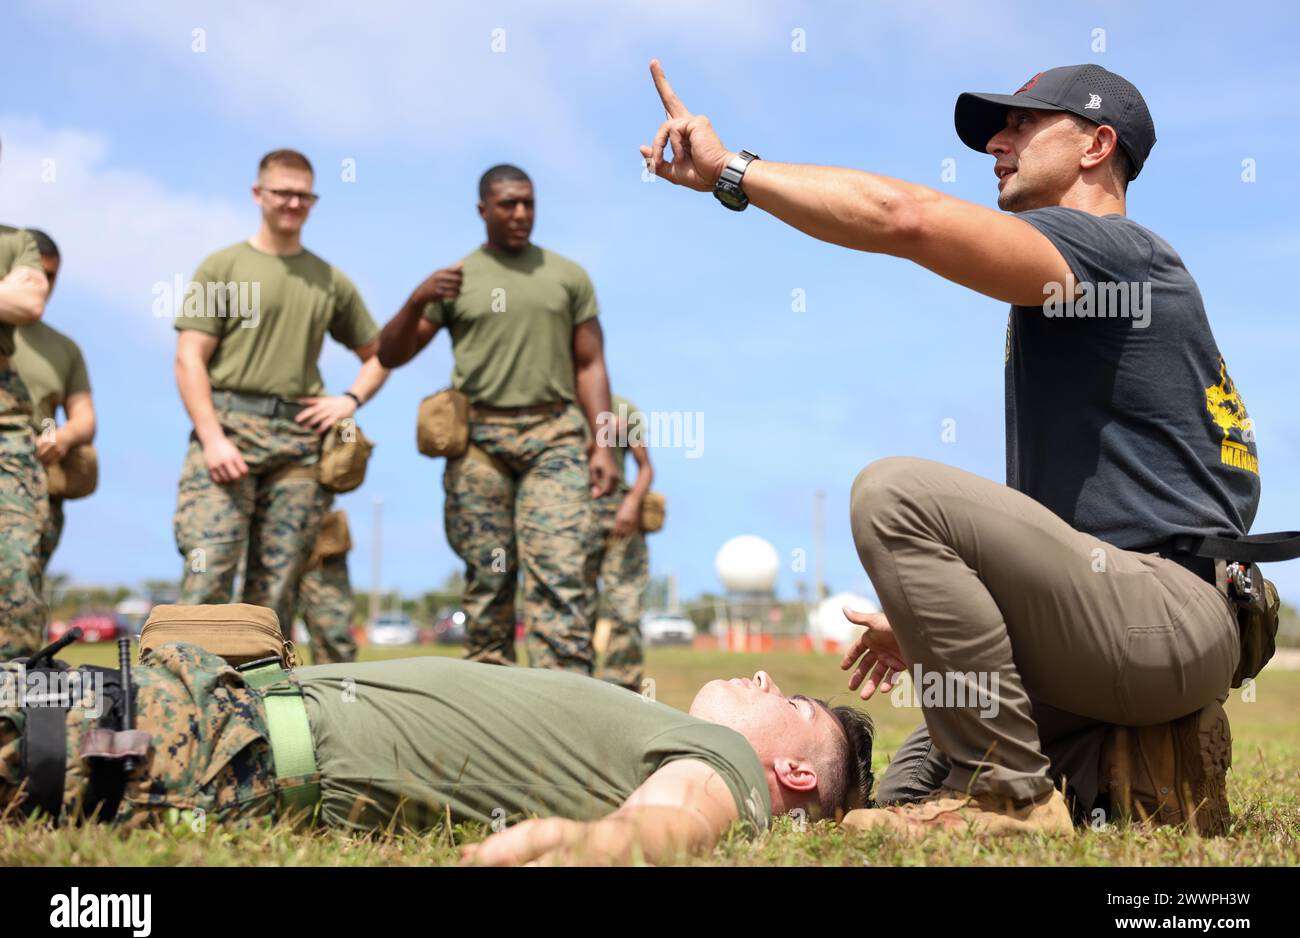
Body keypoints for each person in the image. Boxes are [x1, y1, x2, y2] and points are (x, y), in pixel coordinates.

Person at [640, 61, 1257, 836]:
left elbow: (908, 218)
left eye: (1023, 125)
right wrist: (944, 618)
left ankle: (1017, 804)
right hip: (1127, 623)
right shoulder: (1086, 288)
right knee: (906, 787)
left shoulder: (1112, 253)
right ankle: (1075, 784)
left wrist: (736, 171)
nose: (997, 143)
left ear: (1099, 144)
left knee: (893, 493)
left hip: (1166, 617)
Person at [0, 642, 875, 866]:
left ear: (792, 773)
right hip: (209, 716)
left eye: (790, 702)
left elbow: (679, 818)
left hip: (212, 744)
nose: (766, 677)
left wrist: (590, 845)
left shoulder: (721, 760)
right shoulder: (677, 738)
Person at [377, 164, 617, 674]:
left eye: (529, 203)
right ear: (483, 209)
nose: (521, 214)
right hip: (479, 444)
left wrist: (602, 444)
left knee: (560, 573)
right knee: (488, 579)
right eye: (508, 204)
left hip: (553, 439)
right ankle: (492, 706)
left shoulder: (567, 275)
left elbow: (590, 364)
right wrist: (417, 297)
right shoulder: (456, 279)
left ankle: (569, 705)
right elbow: (390, 353)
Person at [172, 149, 390, 638]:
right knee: (208, 574)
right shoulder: (222, 266)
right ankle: (180, 702)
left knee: (274, 594)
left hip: (298, 445)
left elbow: (379, 355)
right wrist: (212, 439)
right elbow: (190, 359)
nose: (293, 203)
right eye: (283, 192)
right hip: (228, 432)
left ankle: (260, 708)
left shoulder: (330, 280)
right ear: (258, 195)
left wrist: (349, 401)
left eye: (303, 195)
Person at [11, 230, 96, 574]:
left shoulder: (64, 348)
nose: (44, 286)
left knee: (22, 589)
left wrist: (61, 437)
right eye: (36, 274)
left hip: (36, 487)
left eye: (51, 276)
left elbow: (85, 419)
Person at [0, 137, 53, 660]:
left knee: (15, 568)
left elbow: (29, 299)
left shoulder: (16, 242)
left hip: (6, 421)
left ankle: (11, 709)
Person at [585, 393, 653, 690]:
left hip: (619, 518)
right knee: (569, 609)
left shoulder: (624, 409)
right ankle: (571, 688)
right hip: (570, 517)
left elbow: (645, 467)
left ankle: (621, 691)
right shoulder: (554, 403)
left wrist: (632, 503)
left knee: (626, 610)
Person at [294, 510, 358, 664]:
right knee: (261, 633)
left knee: (333, 634)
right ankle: (266, 686)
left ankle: (338, 686)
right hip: (260, 534)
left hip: (321, 542)